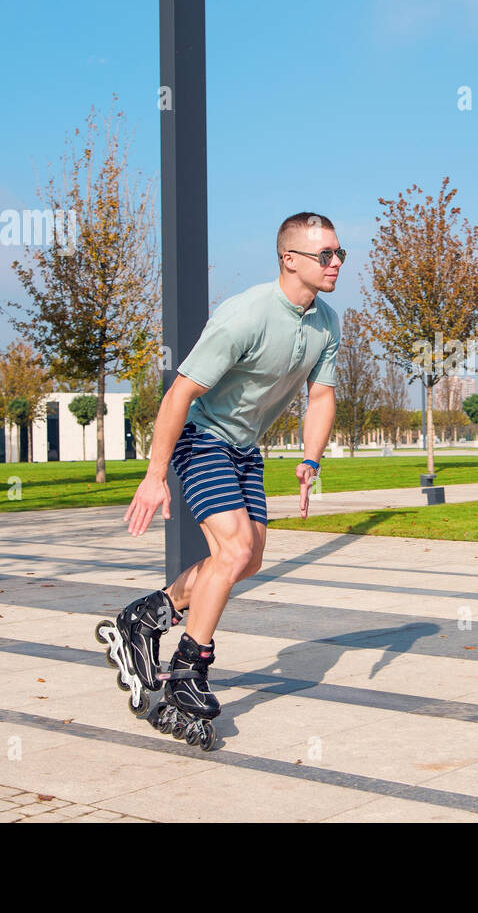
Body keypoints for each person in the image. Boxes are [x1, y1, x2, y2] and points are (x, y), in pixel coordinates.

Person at [112, 211, 343, 730]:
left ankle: (148, 615)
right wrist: (154, 474)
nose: (335, 264)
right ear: (290, 259)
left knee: (249, 560)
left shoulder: (326, 321)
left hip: (245, 447)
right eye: (324, 255)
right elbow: (180, 393)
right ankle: (189, 672)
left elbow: (322, 395)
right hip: (201, 437)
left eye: (338, 253)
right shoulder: (246, 315)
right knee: (232, 549)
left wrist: (311, 458)